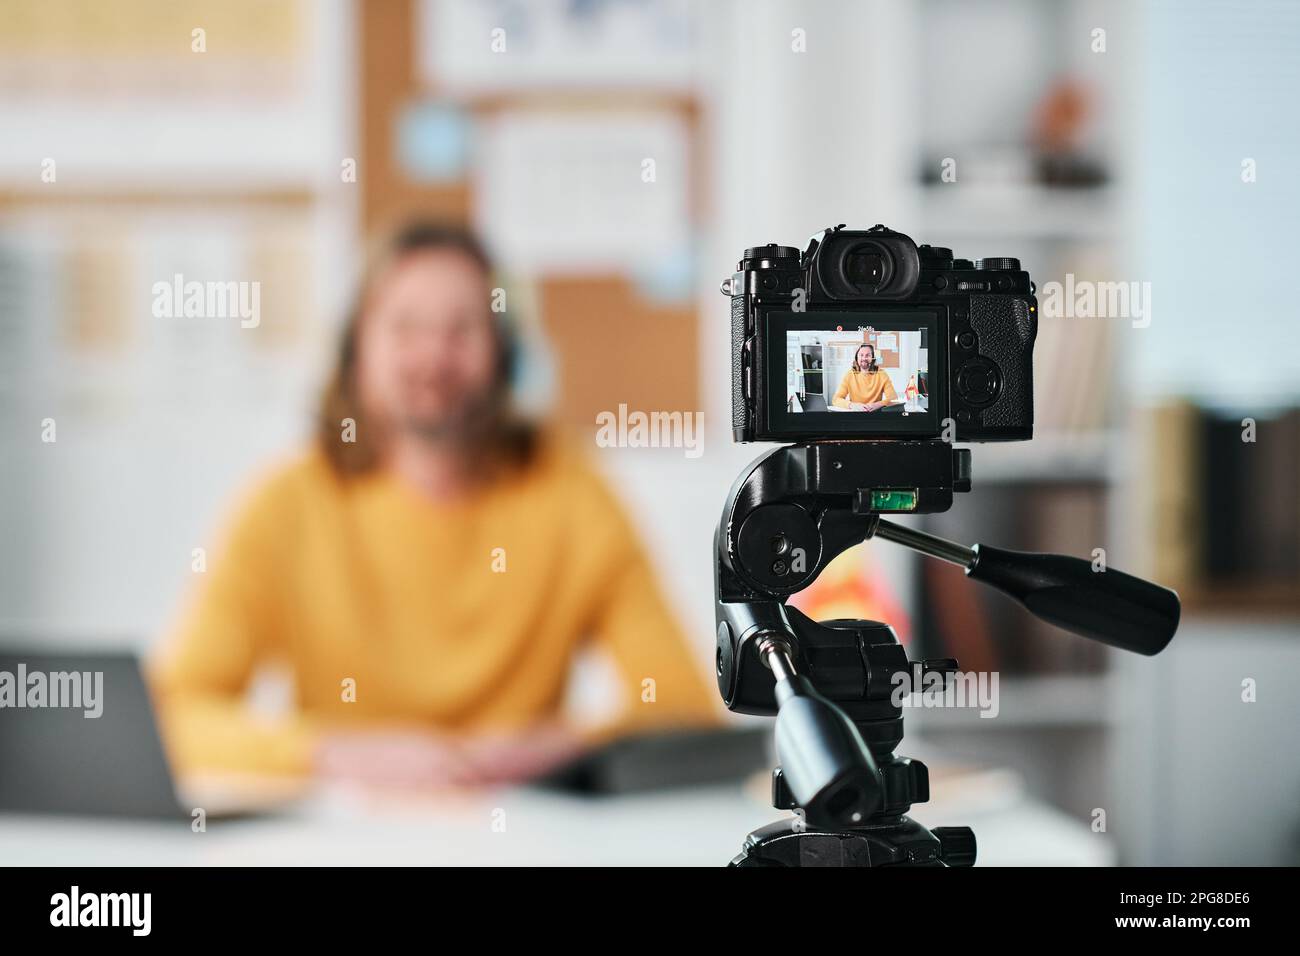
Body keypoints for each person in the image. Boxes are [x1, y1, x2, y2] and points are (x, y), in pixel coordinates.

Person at [150, 222, 717, 789]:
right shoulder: (287, 505)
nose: (433, 356)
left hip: (523, 832)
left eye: (462, 329)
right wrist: (330, 753)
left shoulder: (570, 490)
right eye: (406, 327)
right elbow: (173, 715)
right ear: (357, 350)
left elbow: (683, 709)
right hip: (342, 836)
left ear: (503, 352)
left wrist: (553, 748)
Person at [831, 343, 898, 411]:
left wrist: (877, 404)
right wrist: (853, 405)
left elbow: (893, 398)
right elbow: (836, 400)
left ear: (873, 358)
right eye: (861, 355)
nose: (864, 358)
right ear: (857, 358)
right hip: (856, 413)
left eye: (868, 355)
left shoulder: (881, 374)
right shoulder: (850, 374)